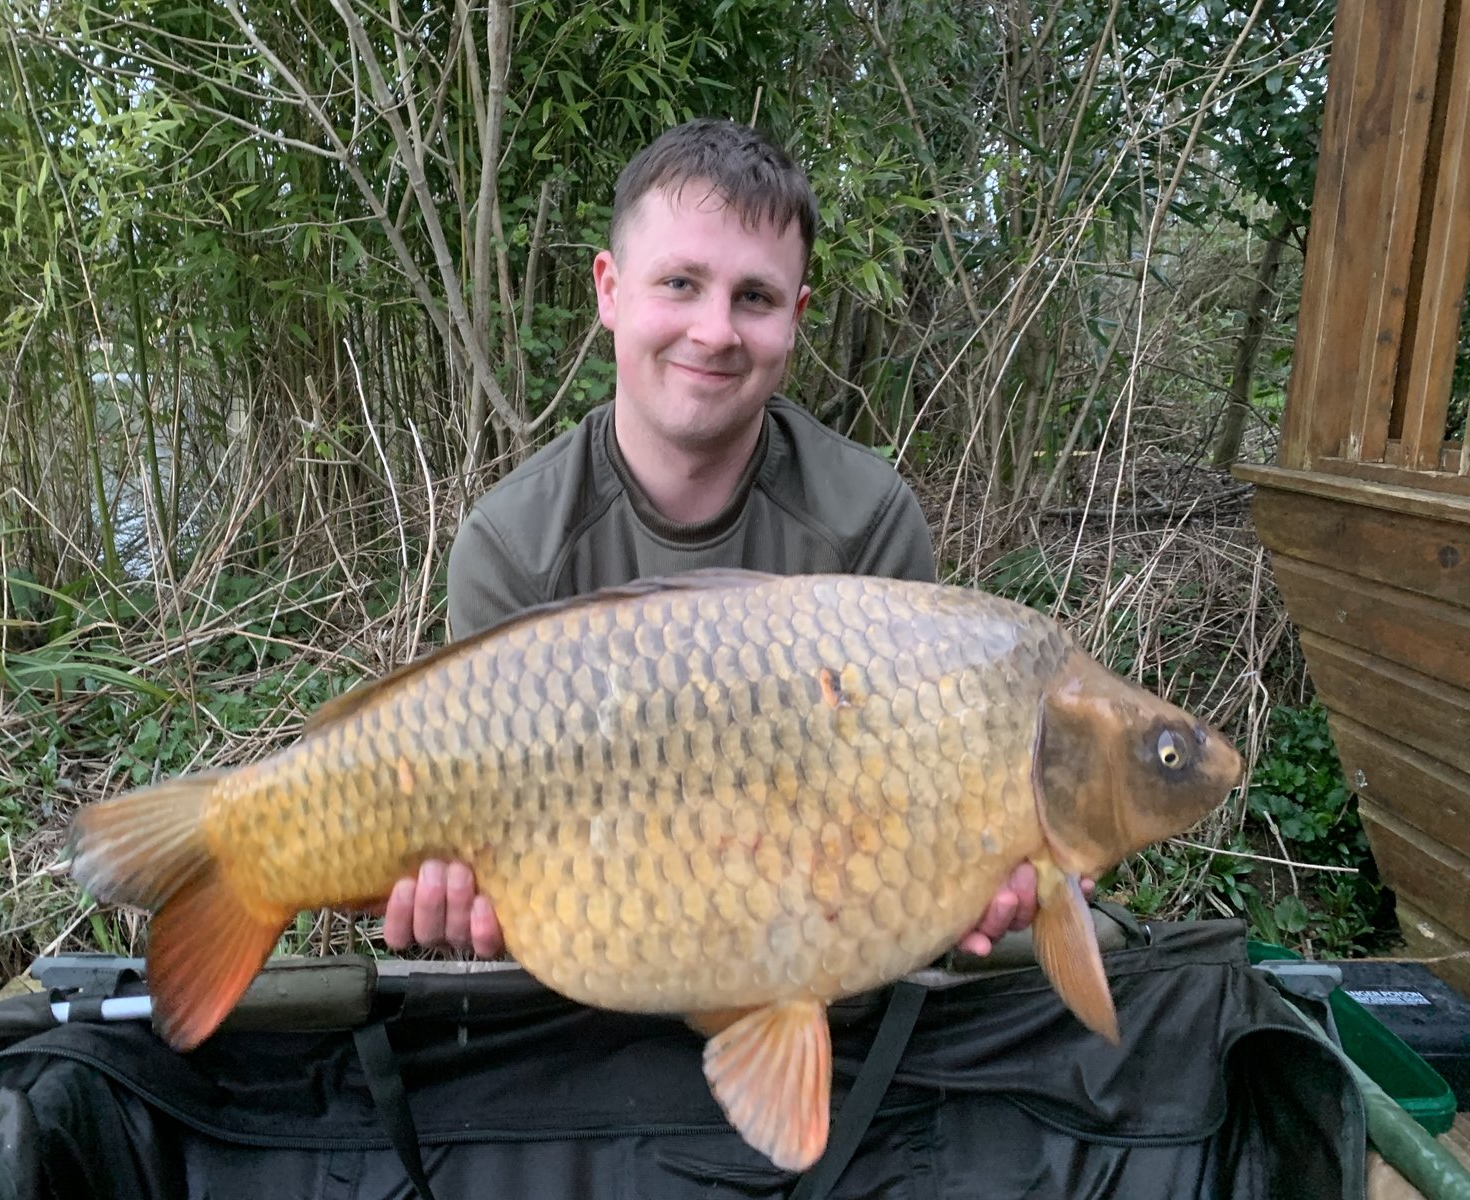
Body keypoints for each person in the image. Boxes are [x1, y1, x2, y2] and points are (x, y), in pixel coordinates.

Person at [378, 118, 1063, 963]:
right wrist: (460, 907)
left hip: (818, 963)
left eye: (755, 297)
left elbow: (905, 827)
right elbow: (489, 847)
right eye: (679, 283)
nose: (715, 331)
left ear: (796, 316)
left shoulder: (866, 521)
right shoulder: (514, 544)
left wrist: (960, 882)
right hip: (594, 982)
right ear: (609, 288)